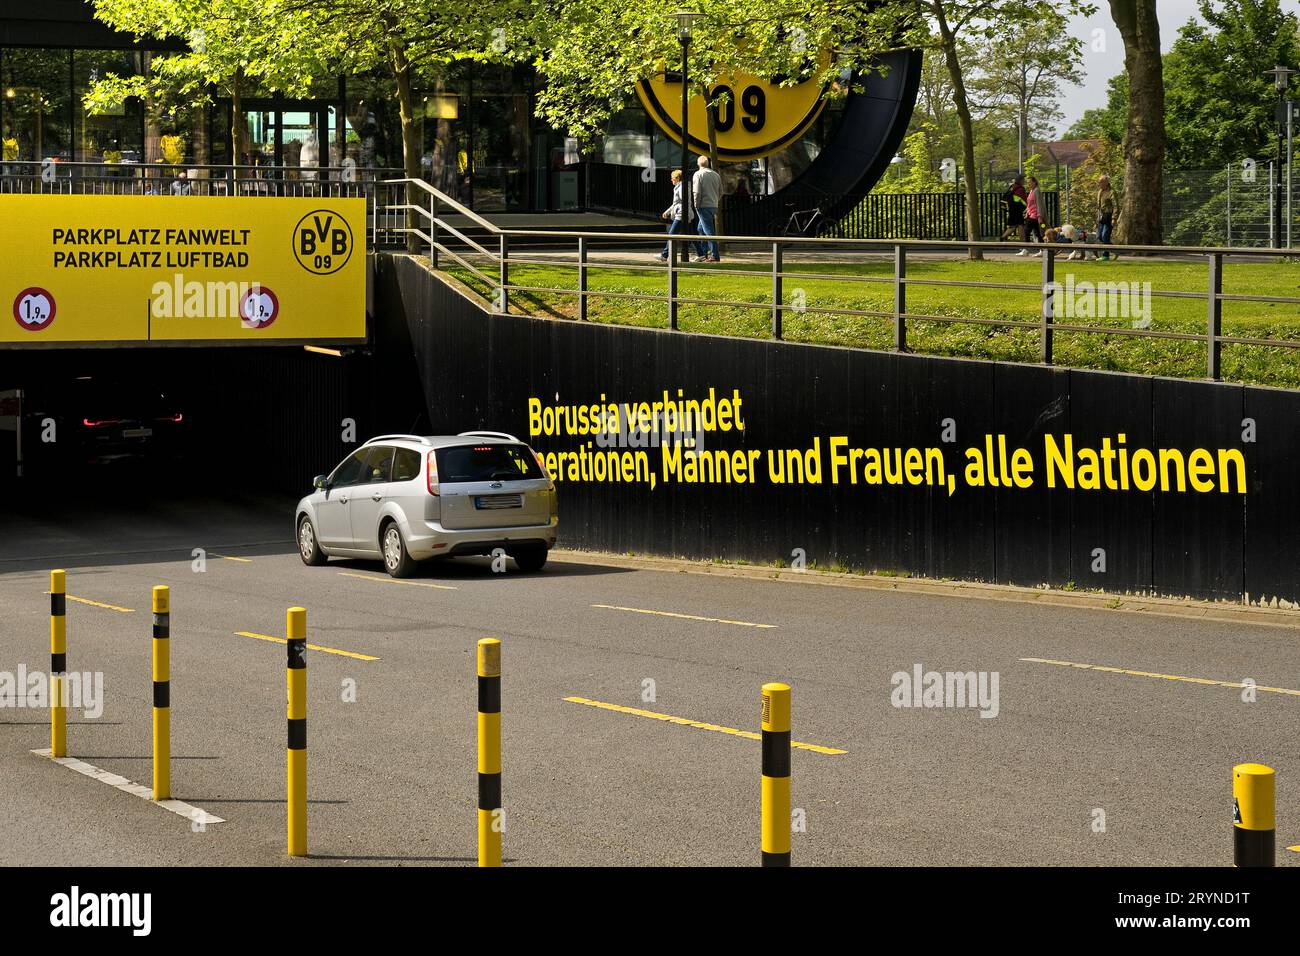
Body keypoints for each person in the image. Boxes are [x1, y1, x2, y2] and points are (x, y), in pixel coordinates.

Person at [692, 155, 722, 263]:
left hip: (703, 205)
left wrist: (696, 204)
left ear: (698, 164)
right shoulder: (716, 175)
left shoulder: (698, 174)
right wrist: (715, 200)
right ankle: (703, 254)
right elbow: (720, 191)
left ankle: (714, 255)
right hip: (713, 205)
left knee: (708, 231)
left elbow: (697, 191)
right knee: (701, 229)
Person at [658, 169, 685, 262]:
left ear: (677, 178)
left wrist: (673, 211)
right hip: (681, 214)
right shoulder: (678, 187)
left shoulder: (681, 187)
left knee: (671, 234)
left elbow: (682, 201)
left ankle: (664, 255)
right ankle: (701, 254)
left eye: (672, 178)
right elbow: (676, 203)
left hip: (681, 214)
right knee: (691, 235)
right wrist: (667, 212)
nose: (671, 180)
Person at [1017, 176, 1044, 255]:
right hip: (1030, 214)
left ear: (1035, 182)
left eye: (1030, 182)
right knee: (1038, 233)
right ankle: (1042, 250)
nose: (1028, 184)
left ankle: (1026, 250)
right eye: (1027, 182)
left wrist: (1039, 216)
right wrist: (1026, 212)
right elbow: (1030, 204)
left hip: (1034, 215)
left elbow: (1039, 204)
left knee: (1026, 231)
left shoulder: (1036, 191)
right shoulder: (1032, 191)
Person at [1095, 175, 1118, 261]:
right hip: (1102, 216)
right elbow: (1098, 207)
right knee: (1100, 236)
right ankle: (1114, 250)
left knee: (1105, 236)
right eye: (1099, 182)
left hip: (1109, 215)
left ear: (1106, 182)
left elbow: (1115, 205)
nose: (1099, 183)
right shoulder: (1100, 192)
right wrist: (1097, 219)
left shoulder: (1111, 192)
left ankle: (1106, 256)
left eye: (1101, 182)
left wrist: (1114, 218)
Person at [1002, 175, 1027, 242]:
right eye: (1023, 180)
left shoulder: (1012, 187)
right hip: (1017, 210)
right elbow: (1022, 200)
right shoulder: (1021, 189)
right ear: (1021, 180)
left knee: (1013, 226)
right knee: (1020, 225)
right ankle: (1023, 243)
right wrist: (1025, 207)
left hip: (1011, 210)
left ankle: (1003, 237)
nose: (1024, 181)